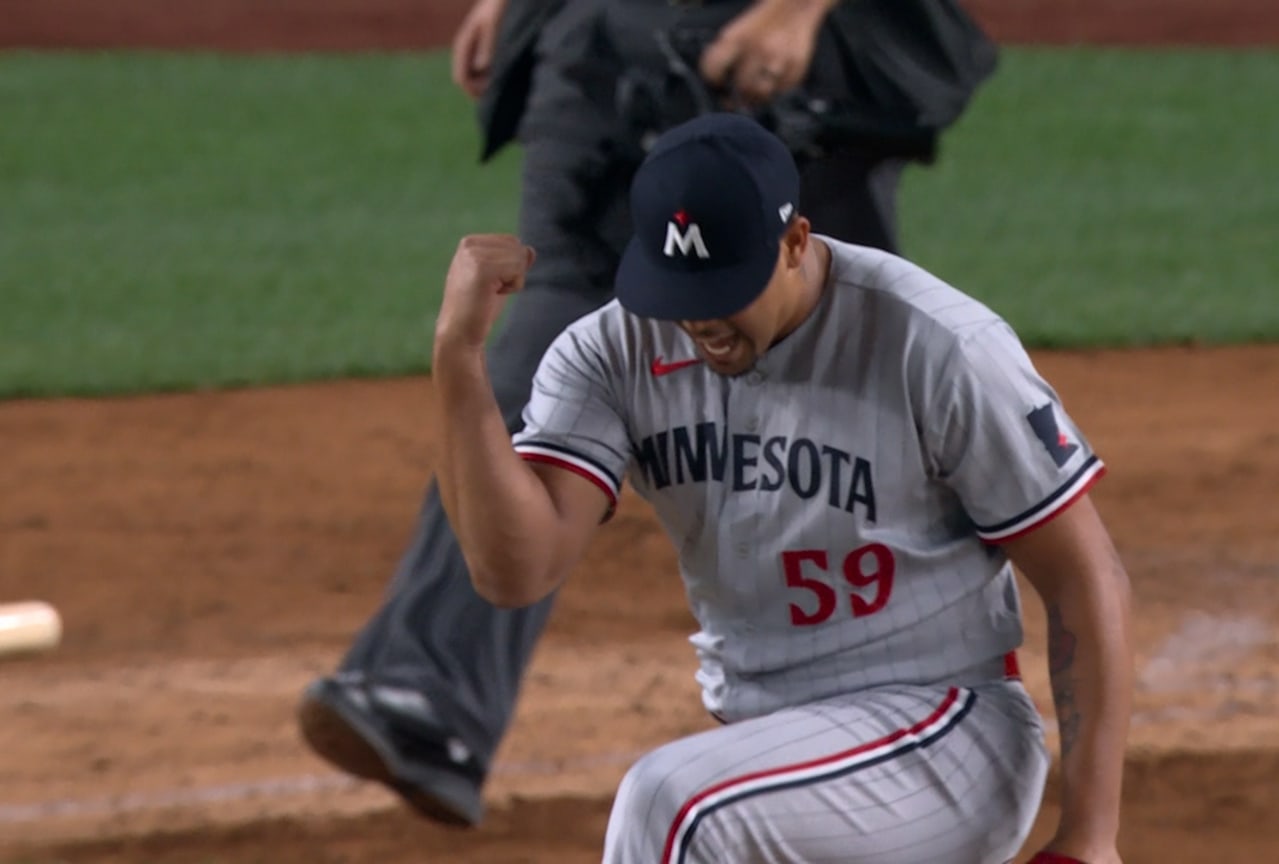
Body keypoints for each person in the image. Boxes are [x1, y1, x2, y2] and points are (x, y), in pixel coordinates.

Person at [296, 0, 1000, 829]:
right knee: (544, 343)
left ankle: (907, 704)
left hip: (783, 71)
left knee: (838, 359)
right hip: (598, 46)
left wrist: (796, 9)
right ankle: (429, 689)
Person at [433, 113, 1133, 863]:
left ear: (795, 241)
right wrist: (458, 356)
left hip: (949, 730)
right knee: (697, 810)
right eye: (677, 287)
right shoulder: (613, 351)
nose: (700, 318)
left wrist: (1089, 839)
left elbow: (1084, 575)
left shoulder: (936, 343)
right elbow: (515, 571)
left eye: (725, 286)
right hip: (780, 747)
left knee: (676, 808)